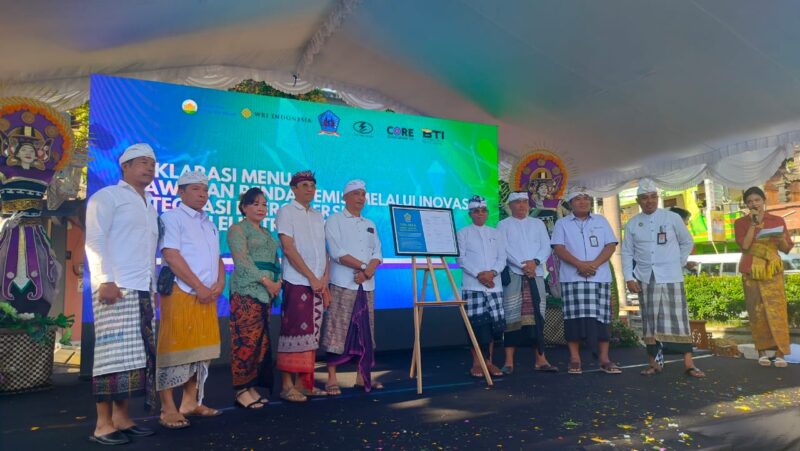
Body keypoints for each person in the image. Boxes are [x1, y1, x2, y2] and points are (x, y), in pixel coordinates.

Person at [85, 143, 159, 445]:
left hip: (141, 287)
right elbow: (96, 238)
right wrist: (104, 279)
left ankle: (122, 418)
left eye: (152, 164)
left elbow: (147, 250)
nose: (149, 168)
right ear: (125, 166)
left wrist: (151, 288)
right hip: (115, 287)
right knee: (110, 355)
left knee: (133, 358)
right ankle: (102, 425)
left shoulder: (149, 204)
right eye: (142, 163)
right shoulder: (107, 197)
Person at [156, 171, 225, 428]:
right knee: (174, 350)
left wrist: (220, 283)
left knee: (200, 352)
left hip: (207, 296)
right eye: (196, 189)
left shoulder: (209, 222)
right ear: (180, 192)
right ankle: (167, 408)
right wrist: (198, 286)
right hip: (181, 291)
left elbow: (217, 256)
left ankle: (190, 402)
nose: (202, 194)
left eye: (205, 190)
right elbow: (171, 255)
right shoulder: (171, 218)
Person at [622, 179, 704, 378]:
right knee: (651, 321)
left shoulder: (671, 218)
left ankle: (689, 364)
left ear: (657, 198)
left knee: (679, 320)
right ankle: (654, 364)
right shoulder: (633, 223)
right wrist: (628, 277)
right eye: (644, 198)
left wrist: (680, 261)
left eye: (653, 197)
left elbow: (687, 241)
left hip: (671, 276)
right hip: (645, 278)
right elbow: (626, 252)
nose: (649, 201)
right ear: (638, 200)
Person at [322, 180, 383, 394]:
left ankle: (362, 376)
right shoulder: (334, 220)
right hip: (342, 283)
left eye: (363, 194)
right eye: (356, 194)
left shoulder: (370, 223)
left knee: (365, 331)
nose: (361, 198)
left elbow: (378, 253)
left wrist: (367, 272)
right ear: (345, 197)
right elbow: (337, 252)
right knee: (337, 331)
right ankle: (331, 378)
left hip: (366, 285)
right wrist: (363, 267)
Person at [551, 187, 621, 375]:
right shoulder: (562, 223)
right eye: (578, 199)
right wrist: (579, 265)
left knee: (602, 319)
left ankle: (605, 359)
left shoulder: (601, 220)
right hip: (573, 278)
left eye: (586, 198)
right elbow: (558, 247)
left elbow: (610, 245)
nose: (583, 202)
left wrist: (593, 265)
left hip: (599, 278)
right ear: (570, 203)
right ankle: (575, 358)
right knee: (573, 319)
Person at [275, 170, 330, 402]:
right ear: (294, 189)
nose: (310, 189)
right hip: (297, 282)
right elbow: (288, 249)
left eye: (312, 185)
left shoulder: (318, 216)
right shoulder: (286, 212)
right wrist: (311, 277)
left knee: (311, 335)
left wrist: (324, 281)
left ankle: (305, 384)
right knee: (293, 333)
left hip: (317, 285)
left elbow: (323, 251)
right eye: (305, 185)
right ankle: (287, 386)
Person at [227, 188, 282, 409]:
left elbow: (276, 261)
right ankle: (240, 390)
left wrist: (278, 282)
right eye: (255, 204)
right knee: (245, 342)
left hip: (267, 293)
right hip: (246, 291)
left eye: (264, 204)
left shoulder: (268, 233)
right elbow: (243, 262)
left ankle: (251, 387)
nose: (261, 208)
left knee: (260, 342)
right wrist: (266, 281)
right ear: (244, 207)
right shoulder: (237, 230)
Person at [496, 191, 558, 374]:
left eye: (524, 202)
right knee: (511, 316)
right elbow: (503, 249)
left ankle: (541, 360)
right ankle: (508, 362)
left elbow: (546, 246)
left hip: (535, 274)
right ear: (510, 206)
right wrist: (523, 265)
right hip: (515, 274)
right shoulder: (503, 225)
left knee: (537, 317)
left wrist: (535, 262)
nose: (521, 205)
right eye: (517, 202)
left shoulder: (537, 224)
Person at [734, 186, 793, 368]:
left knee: (778, 310)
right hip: (751, 270)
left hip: (772, 270)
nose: (754, 204)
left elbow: (786, 248)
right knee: (756, 311)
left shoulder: (777, 220)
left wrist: (781, 236)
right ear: (746, 205)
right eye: (750, 201)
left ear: (763, 201)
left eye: (757, 200)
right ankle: (761, 352)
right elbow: (744, 247)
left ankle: (780, 352)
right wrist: (753, 224)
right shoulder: (741, 222)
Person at [456, 195, 506, 378]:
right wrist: (480, 274)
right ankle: (477, 363)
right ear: (470, 214)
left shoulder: (496, 233)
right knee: (477, 327)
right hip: (473, 287)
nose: (480, 214)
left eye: (483, 210)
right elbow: (461, 258)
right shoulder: (463, 233)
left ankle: (489, 362)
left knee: (493, 327)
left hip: (494, 286)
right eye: (476, 211)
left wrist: (491, 273)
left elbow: (502, 258)